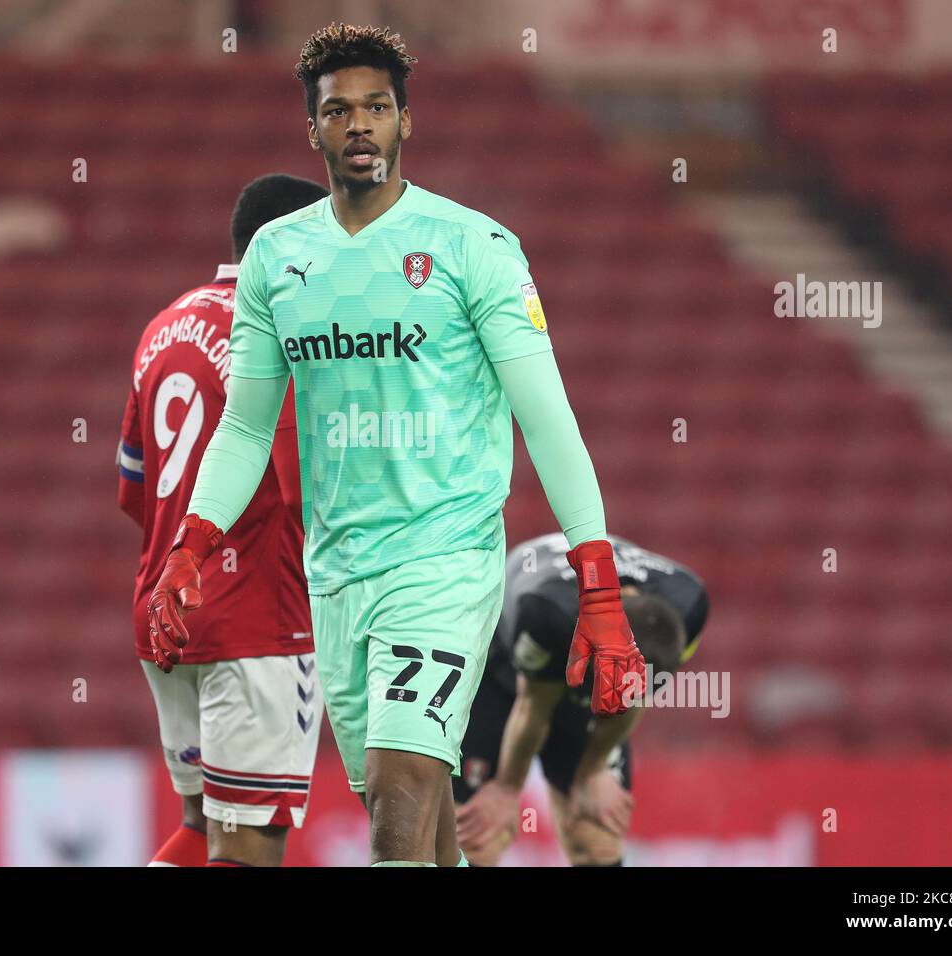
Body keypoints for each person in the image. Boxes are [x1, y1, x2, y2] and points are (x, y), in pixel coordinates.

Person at [147, 23, 646, 867]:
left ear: (405, 121)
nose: (358, 125)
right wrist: (192, 548)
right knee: (415, 815)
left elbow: (547, 416)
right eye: (337, 110)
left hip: (443, 562)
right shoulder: (279, 256)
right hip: (337, 574)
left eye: (377, 107)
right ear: (313, 130)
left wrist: (598, 585)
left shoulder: (474, 248)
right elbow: (245, 423)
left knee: (399, 801)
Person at [117, 174, 329, 867]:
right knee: (250, 845)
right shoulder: (285, 332)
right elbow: (307, 493)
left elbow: (133, 491)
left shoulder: (163, 327)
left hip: (166, 608)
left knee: (204, 825)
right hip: (259, 622)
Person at [455, 532, 709, 866]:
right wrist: (506, 788)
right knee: (479, 835)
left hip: (585, 658)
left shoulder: (688, 607)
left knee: (595, 838)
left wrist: (592, 770)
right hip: (502, 673)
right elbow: (533, 707)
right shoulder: (545, 610)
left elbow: (637, 695)